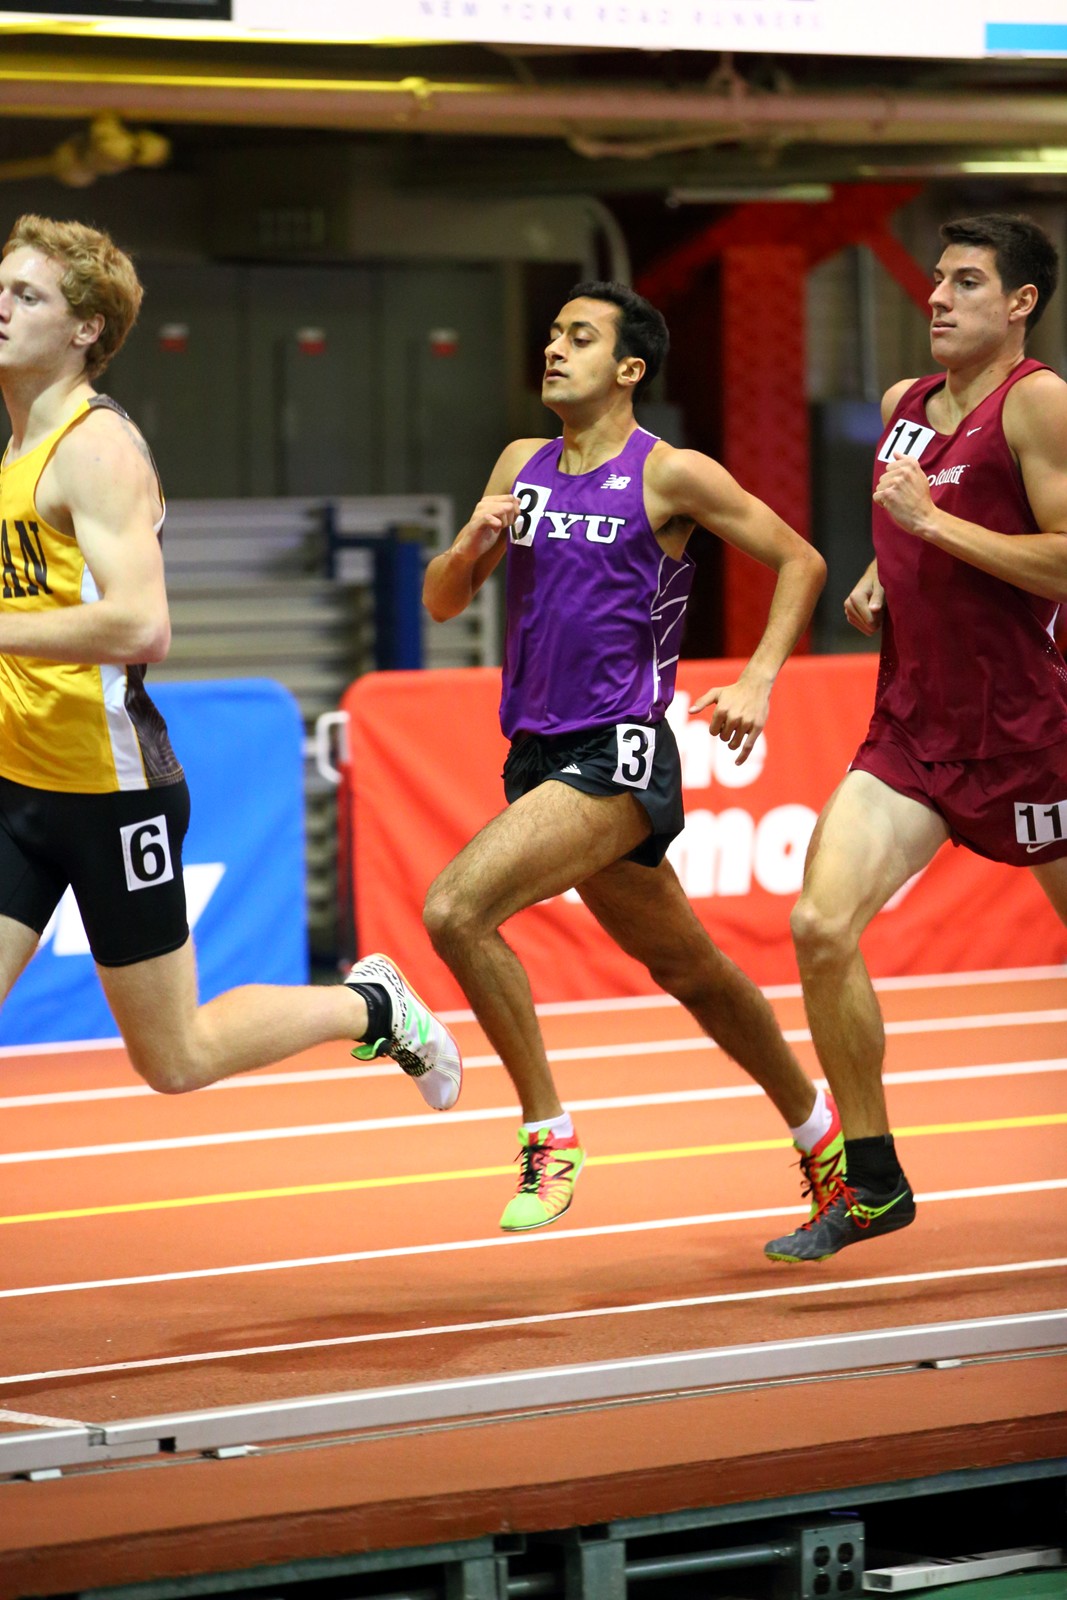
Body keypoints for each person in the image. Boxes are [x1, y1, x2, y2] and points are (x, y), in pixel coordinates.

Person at [0, 214, 461, 1112]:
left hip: (111, 794)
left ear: (86, 328)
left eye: (26, 294)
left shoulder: (95, 448)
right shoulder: (14, 449)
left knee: (176, 1058)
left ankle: (370, 1005)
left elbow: (141, 625)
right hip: (19, 786)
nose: (0, 307)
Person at [422, 279, 831, 1234]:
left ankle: (548, 1133)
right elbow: (445, 600)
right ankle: (824, 1139)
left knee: (456, 910)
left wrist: (760, 678)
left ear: (629, 369)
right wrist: (469, 544)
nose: (553, 349)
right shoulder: (520, 463)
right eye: (553, 334)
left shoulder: (670, 473)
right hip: (533, 751)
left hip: (619, 751)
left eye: (579, 337)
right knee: (689, 968)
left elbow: (801, 559)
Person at [766, 213, 1067, 1263]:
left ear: (1019, 303)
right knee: (817, 925)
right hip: (909, 734)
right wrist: (878, 572)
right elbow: (902, 525)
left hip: (1030, 737)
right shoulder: (902, 406)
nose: (936, 297)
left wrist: (933, 529)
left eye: (966, 283)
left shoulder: (1038, 406)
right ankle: (875, 1177)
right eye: (936, 280)